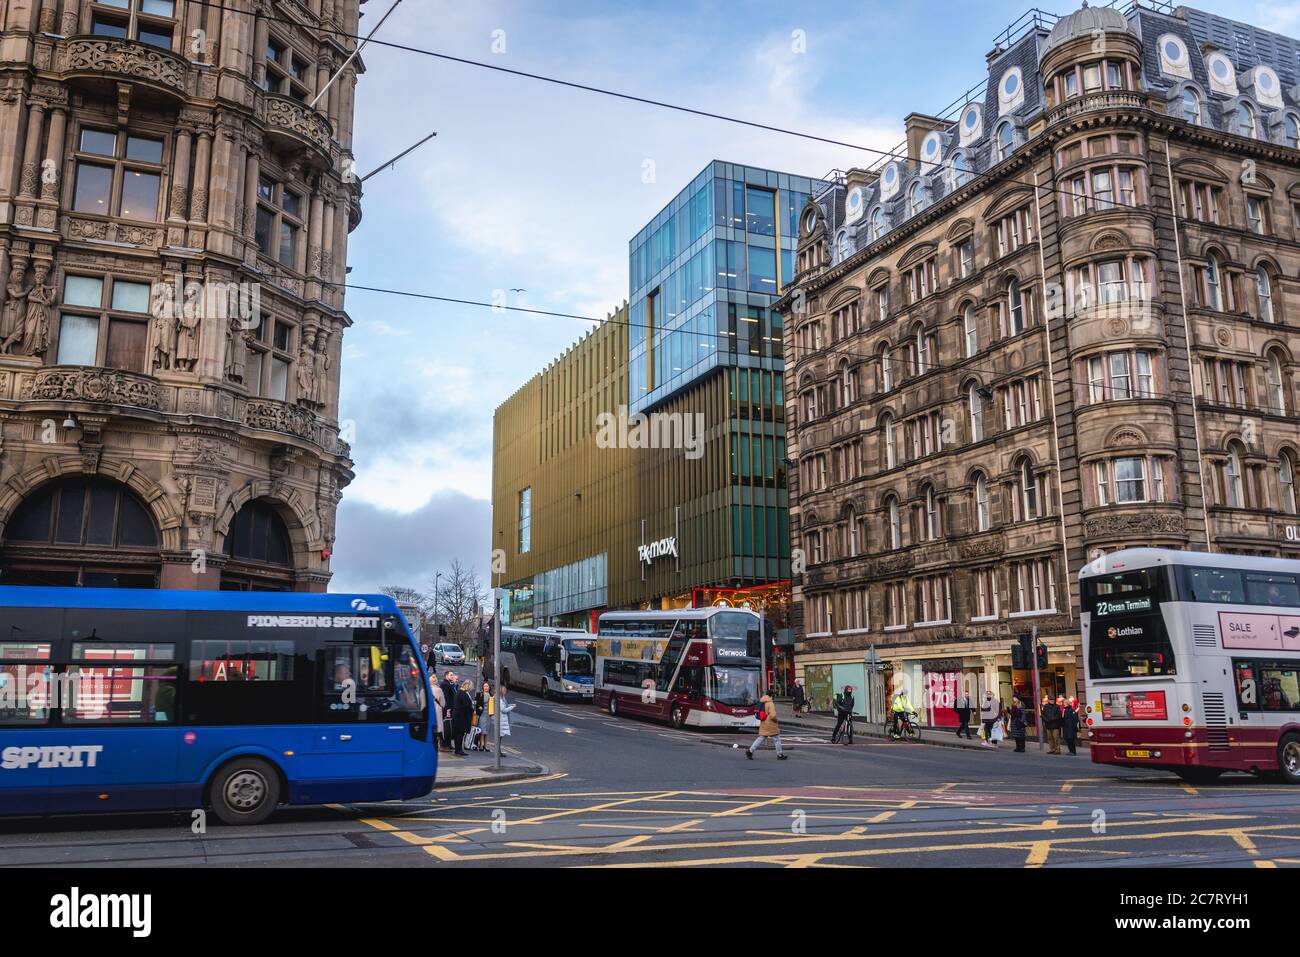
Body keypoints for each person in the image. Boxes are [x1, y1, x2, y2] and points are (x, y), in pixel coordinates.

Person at [745, 691, 786, 760]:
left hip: (763, 722)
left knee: (761, 738)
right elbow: (773, 715)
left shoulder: (762, 701)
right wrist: (776, 720)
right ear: (771, 696)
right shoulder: (770, 703)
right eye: (774, 696)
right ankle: (780, 755)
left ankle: (750, 751)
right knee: (777, 739)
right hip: (771, 723)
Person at [452, 680, 475, 756]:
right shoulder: (463, 693)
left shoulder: (460, 692)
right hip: (461, 717)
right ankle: (459, 750)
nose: (472, 688)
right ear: (468, 686)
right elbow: (466, 706)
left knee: (458, 733)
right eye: (471, 686)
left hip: (459, 716)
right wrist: (472, 708)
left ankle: (458, 749)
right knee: (460, 734)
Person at [438, 671, 457, 749]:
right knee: (446, 726)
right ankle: (444, 743)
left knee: (449, 727)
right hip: (447, 709)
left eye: (453, 675)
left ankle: (448, 743)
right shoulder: (445, 684)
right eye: (451, 675)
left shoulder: (449, 684)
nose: (452, 676)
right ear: (446, 676)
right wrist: (448, 709)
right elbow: (445, 698)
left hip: (449, 708)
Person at [476, 680, 495, 752]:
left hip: (488, 715)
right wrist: (479, 707)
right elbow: (476, 703)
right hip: (482, 714)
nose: (486, 687)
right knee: (482, 730)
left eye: (487, 686)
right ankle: (481, 745)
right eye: (484, 686)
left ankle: (485, 746)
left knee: (486, 731)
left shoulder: (491, 695)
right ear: (482, 687)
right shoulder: (480, 694)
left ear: (489, 687)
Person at [430, 678, 446, 751]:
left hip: (430, 710)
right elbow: (443, 703)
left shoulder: (427, 689)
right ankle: (440, 745)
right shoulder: (439, 690)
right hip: (437, 710)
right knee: (438, 728)